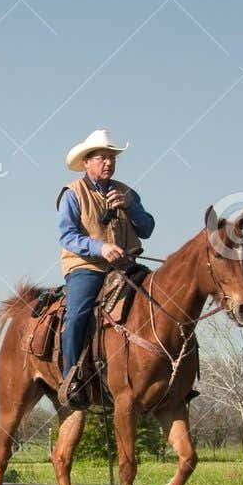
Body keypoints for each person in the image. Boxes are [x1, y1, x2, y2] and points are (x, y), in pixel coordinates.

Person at [56, 128, 155, 409]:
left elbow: (146, 228)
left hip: (126, 266)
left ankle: (168, 375)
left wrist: (131, 206)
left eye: (112, 158)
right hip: (87, 267)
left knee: (160, 303)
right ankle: (71, 377)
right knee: (78, 313)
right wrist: (101, 248)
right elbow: (67, 236)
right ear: (87, 162)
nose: (108, 163)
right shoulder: (72, 194)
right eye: (102, 158)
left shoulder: (127, 192)